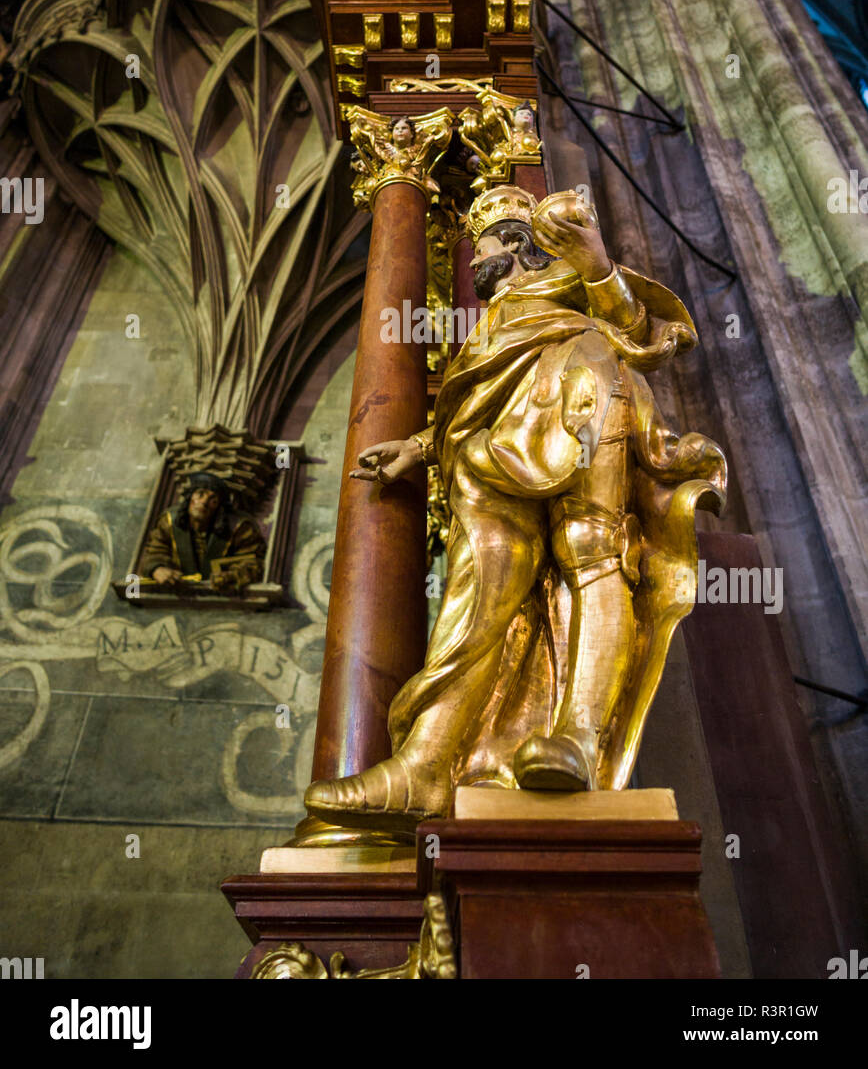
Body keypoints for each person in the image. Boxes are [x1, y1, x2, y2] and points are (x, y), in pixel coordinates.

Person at [304, 185, 726, 833]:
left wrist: (595, 262)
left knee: (593, 554)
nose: (475, 260)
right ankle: (424, 762)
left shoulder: (572, 282)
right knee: (480, 587)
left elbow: (643, 333)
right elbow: (475, 398)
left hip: (590, 398)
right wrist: (419, 447)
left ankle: (579, 740)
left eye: (488, 242)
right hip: (495, 449)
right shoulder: (495, 321)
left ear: (519, 244)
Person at [140, 471, 265, 593]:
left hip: (223, 597)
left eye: (212, 499)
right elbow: (153, 552)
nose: (204, 502)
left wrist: (232, 576)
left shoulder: (239, 528)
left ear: (218, 507)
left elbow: (254, 563)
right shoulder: (168, 522)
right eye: (200, 494)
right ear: (190, 497)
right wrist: (157, 569)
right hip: (177, 594)